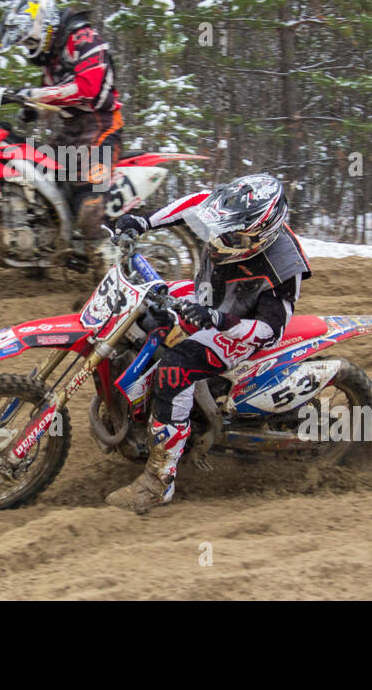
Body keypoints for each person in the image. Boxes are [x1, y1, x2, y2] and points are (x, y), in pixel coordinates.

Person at [105, 174, 312, 512]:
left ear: (262, 233)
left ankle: (159, 482)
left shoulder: (285, 267)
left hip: (239, 329)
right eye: (221, 230)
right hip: (208, 296)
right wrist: (143, 222)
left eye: (233, 237)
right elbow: (191, 204)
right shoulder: (226, 208)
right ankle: (137, 415)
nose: (219, 240)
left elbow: (270, 330)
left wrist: (218, 321)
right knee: (140, 313)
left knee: (173, 373)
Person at [0, 0, 122, 261]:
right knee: (39, 178)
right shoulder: (52, 54)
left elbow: (87, 88)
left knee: (87, 197)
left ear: (44, 24)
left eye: (29, 38)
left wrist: (33, 95)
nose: (28, 46)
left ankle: (108, 264)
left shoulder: (83, 38)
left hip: (100, 125)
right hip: (70, 129)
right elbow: (54, 94)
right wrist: (30, 110)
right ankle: (42, 251)